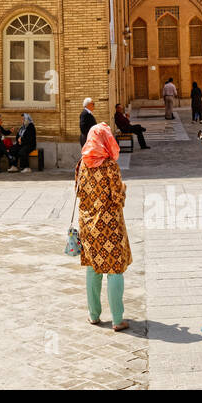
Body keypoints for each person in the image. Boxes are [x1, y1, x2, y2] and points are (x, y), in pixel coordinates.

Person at [75, 123, 132, 332]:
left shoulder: (82, 164)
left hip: (88, 226)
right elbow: (118, 198)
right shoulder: (109, 166)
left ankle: (94, 315)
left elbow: (79, 193)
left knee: (93, 267)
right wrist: (124, 188)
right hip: (110, 225)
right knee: (115, 270)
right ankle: (117, 319)